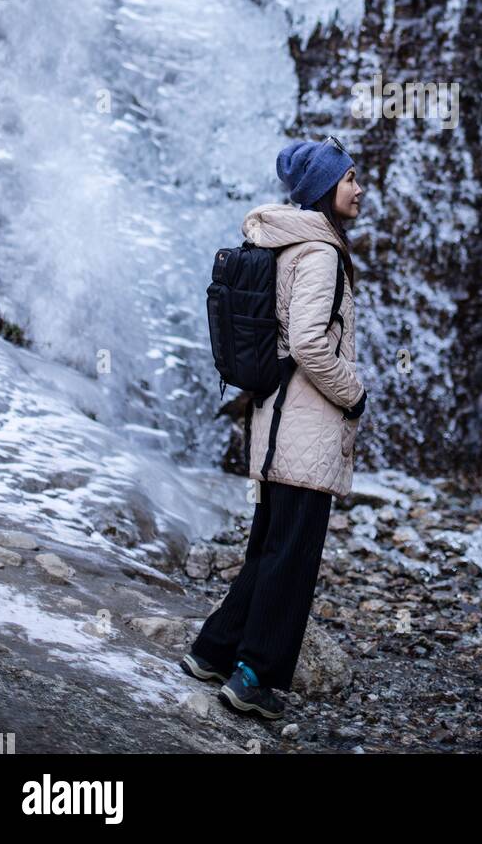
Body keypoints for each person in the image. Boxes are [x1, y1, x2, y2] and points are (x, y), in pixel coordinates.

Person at [181, 134, 367, 719]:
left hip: (275, 422)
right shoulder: (321, 254)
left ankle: (213, 651)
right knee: (291, 557)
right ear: (322, 191)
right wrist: (353, 393)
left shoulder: (285, 246)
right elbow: (311, 342)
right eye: (350, 180)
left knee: (269, 547)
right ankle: (254, 675)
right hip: (305, 428)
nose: (359, 190)